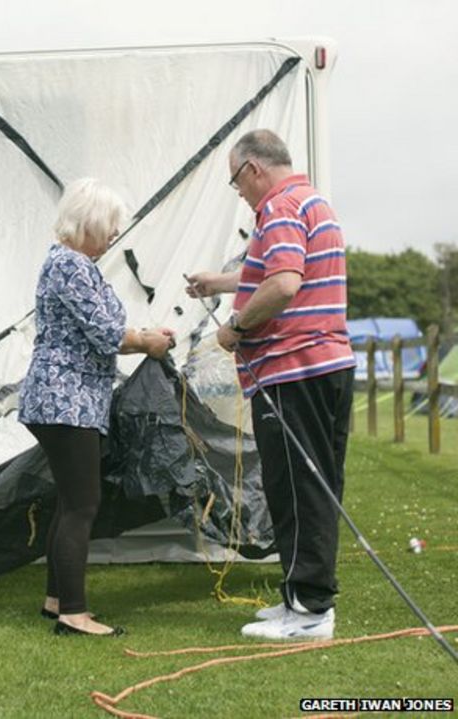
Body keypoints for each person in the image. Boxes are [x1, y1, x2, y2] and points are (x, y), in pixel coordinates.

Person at [186, 129, 355, 641]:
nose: (238, 192)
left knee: (299, 489)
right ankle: (300, 598)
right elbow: (274, 269)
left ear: (254, 169)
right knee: (304, 486)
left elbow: (284, 284)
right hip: (323, 366)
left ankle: (309, 612)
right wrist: (219, 283)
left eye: (236, 181)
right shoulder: (309, 201)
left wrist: (234, 329)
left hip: (293, 370)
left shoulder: (278, 207)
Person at [18, 177, 176, 637]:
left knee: (71, 501)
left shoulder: (68, 263)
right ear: (85, 223)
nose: (113, 236)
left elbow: (101, 332)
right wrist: (148, 341)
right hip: (65, 400)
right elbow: (108, 334)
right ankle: (74, 613)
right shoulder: (71, 266)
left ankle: (56, 600)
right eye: (108, 227)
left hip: (62, 399)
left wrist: (145, 338)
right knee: (83, 504)